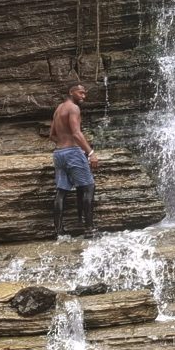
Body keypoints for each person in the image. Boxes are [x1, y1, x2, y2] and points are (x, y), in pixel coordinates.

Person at [49, 82, 98, 238]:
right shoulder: (73, 108)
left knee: (61, 191)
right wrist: (90, 153)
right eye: (81, 93)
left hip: (59, 153)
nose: (84, 96)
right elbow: (77, 134)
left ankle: (59, 231)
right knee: (88, 187)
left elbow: (52, 135)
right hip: (72, 153)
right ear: (71, 92)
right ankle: (89, 229)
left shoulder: (58, 109)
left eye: (84, 93)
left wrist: (63, 144)